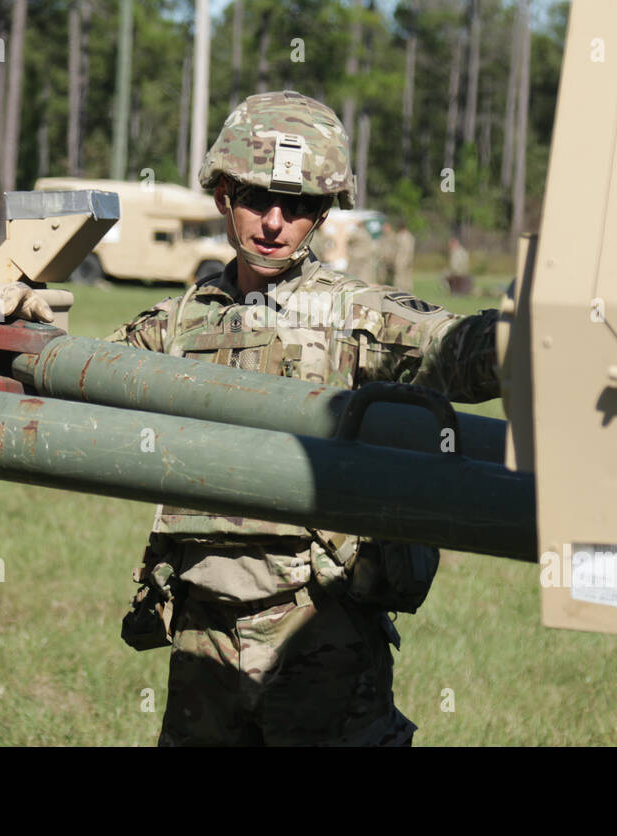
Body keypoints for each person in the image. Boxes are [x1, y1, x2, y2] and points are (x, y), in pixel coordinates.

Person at [108, 90, 501, 746]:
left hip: (317, 639)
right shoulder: (183, 321)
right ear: (222, 195)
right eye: (257, 198)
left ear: (323, 212)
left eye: (299, 206)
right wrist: (21, 312)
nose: (274, 222)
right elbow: (77, 375)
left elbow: (453, 350)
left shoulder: (357, 315)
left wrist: (529, 339)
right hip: (202, 636)